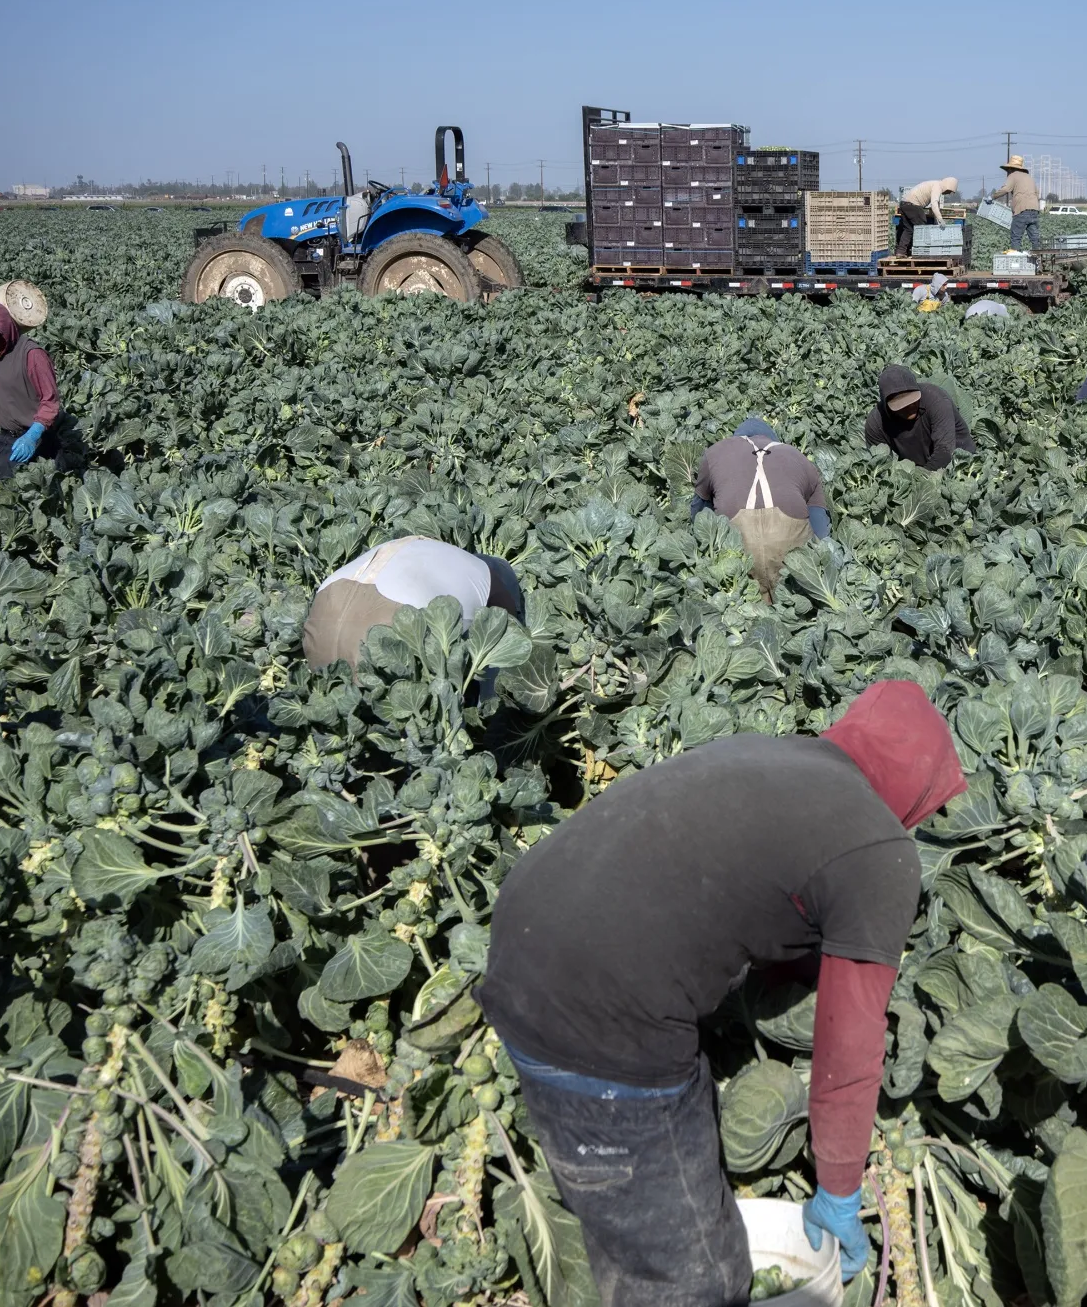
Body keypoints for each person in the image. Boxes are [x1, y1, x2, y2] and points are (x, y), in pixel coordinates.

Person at [479, 680, 968, 1307]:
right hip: (602, 1015)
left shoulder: (772, 756)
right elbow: (849, 1047)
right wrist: (841, 1185)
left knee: (631, 1224)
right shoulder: (879, 848)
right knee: (693, 1280)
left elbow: (752, 899)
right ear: (919, 786)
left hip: (522, 946)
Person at [301, 536, 522, 669]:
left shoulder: (416, 547)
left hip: (323, 612)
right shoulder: (489, 576)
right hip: (389, 625)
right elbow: (508, 628)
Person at [691, 417, 831, 600]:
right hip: (789, 541)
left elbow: (700, 511)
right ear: (772, 438)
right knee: (796, 607)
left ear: (736, 438)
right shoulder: (799, 457)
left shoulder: (715, 452)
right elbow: (820, 523)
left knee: (746, 613)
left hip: (737, 543)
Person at [0, 300, 79, 479]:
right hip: (4, 437)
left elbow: (49, 401)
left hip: (31, 438)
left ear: (5, 328)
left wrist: (33, 435)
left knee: (13, 494)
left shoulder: (32, 355)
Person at [866, 364, 974, 470]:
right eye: (902, 405)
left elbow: (945, 452)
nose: (910, 406)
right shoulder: (876, 423)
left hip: (961, 464)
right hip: (920, 468)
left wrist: (922, 478)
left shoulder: (936, 400)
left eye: (913, 400)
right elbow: (881, 465)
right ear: (886, 404)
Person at [896, 176, 958, 256]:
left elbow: (936, 205)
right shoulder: (937, 186)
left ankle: (901, 252)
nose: (948, 193)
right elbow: (934, 204)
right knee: (922, 228)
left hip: (904, 204)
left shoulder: (934, 184)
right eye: (949, 191)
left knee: (909, 229)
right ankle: (921, 252)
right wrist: (940, 219)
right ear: (948, 187)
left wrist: (937, 219)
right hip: (914, 205)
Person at [992, 155, 1041, 252]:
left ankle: (1016, 263)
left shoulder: (1013, 175)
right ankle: (1038, 260)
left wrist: (993, 197)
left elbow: (1006, 189)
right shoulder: (1029, 177)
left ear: (1010, 168)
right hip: (1034, 210)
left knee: (1016, 238)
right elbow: (1037, 193)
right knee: (1035, 238)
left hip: (1021, 211)